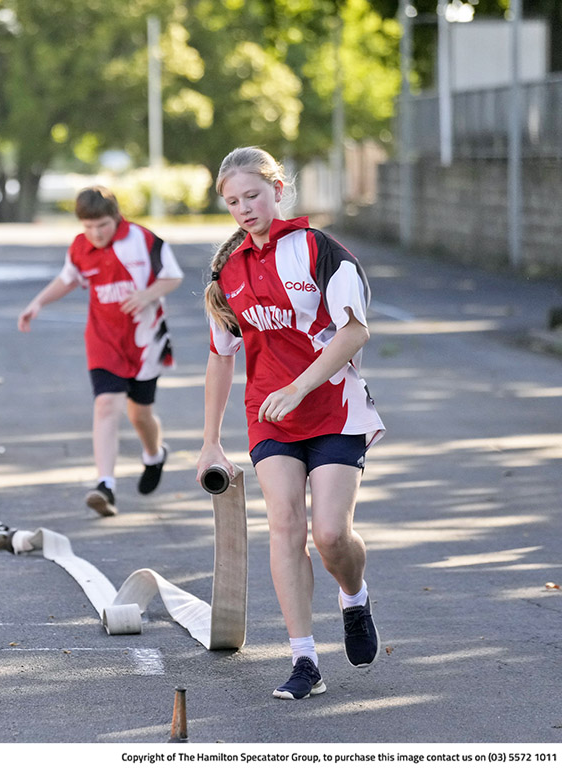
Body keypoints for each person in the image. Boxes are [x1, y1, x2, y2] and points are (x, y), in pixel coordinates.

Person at [195, 146, 385, 700]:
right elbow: (220, 356)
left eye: (252, 195)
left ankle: (354, 596)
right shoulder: (227, 271)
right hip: (269, 416)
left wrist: (301, 384)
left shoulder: (321, 251)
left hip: (334, 408)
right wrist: (209, 442)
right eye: (232, 201)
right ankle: (305, 659)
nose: (244, 208)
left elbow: (354, 333)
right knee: (285, 525)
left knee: (330, 534)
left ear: (278, 189)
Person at [18, 186, 183, 516]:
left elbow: (172, 277)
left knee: (140, 414)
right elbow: (68, 279)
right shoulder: (80, 247)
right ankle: (105, 485)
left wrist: (147, 295)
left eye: (102, 226)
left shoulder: (143, 240)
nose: (95, 233)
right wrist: (38, 302)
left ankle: (154, 455)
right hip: (103, 340)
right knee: (107, 404)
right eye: (88, 227)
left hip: (143, 341)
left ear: (117, 218)